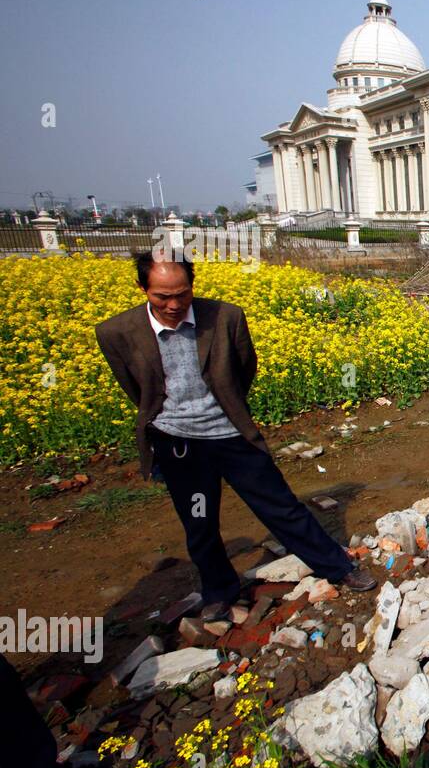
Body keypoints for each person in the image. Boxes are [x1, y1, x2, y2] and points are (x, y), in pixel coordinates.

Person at [95, 249, 374, 623]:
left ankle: (338, 568)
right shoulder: (117, 332)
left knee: (281, 506)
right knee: (200, 521)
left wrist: (223, 406)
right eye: (163, 296)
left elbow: (244, 369)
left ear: (192, 285)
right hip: (178, 445)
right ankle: (219, 591)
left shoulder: (224, 317)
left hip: (230, 435)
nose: (175, 304)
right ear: (142, 288)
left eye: (183, 293)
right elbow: (137, 389)